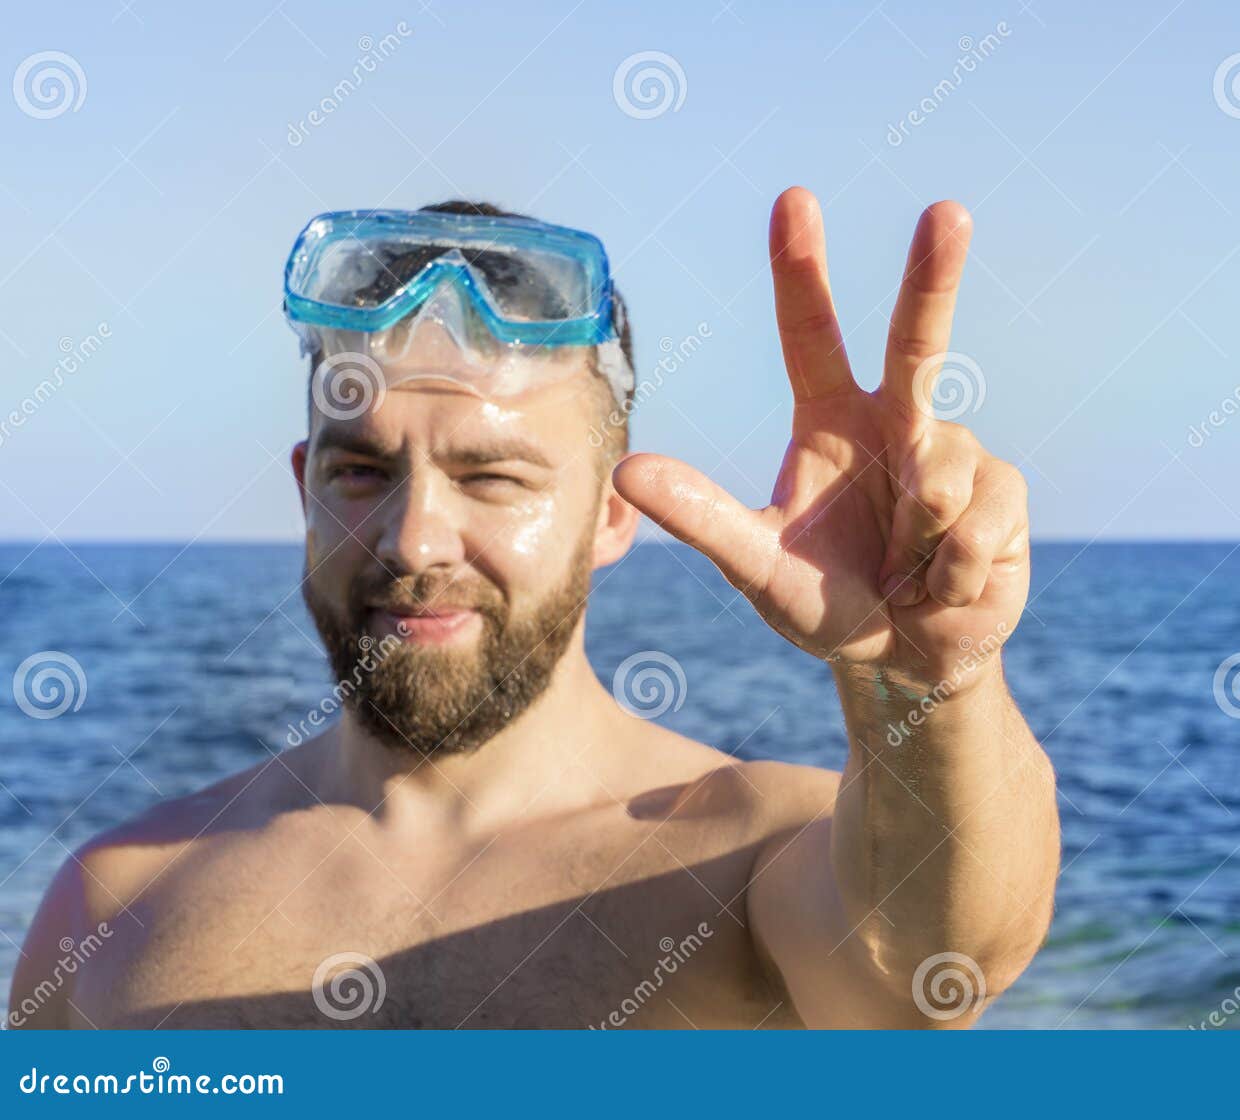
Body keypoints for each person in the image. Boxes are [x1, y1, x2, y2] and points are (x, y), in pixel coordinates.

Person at [9, 188, 1059, 1029]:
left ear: (610, 515)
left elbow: (940, 957)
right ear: (304, 488)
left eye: (494, 477)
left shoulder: (747, 857)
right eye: (363, 473)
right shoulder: (116, 905)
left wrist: (925, 681)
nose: (414, 540)